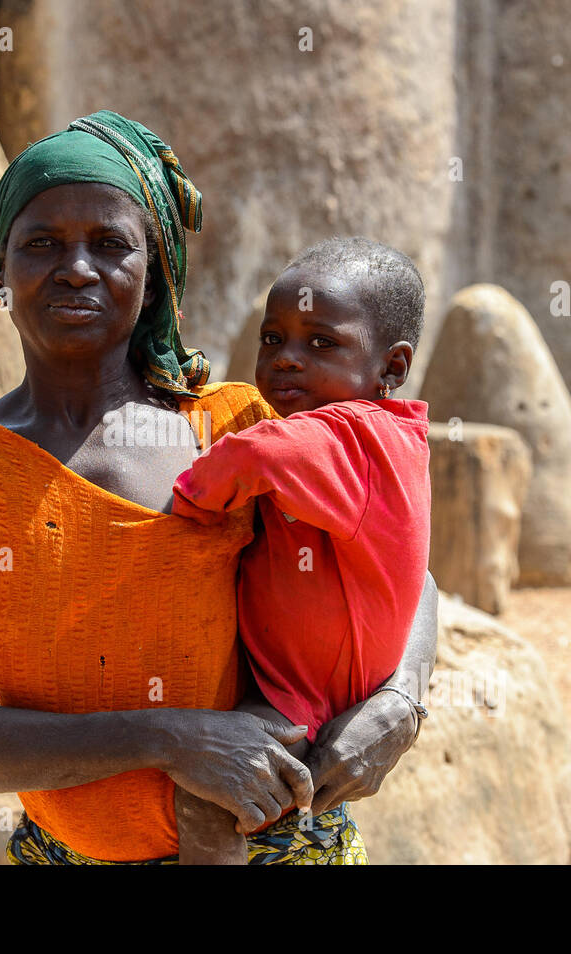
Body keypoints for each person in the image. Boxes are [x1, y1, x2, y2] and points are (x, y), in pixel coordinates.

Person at [0, 110, 439, 864]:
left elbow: (402, 564)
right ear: (0, 273)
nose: (75, 267)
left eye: (110, 244)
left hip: (286, 848)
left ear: (155, 268)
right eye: (41, 243)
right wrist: (171, 739)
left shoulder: (243, 430)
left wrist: (402, 701)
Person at [170, 238, 432, 863]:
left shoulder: (343, 434)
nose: (286, 359)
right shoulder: (388, 440)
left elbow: (256, 454)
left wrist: (184, 500)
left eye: (321, 343)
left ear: (391, 369)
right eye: (273, 339)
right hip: (335, 681)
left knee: (206, 797)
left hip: (301, 698)